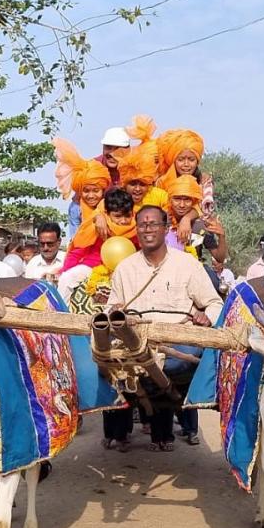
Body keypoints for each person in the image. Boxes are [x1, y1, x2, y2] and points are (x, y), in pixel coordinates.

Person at [106, 205, 222, 450]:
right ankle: (122, 430)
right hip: (135, 340)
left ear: (166, 228)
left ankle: (166, 426)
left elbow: (214, 303)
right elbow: (110, 309)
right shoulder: (125, 268)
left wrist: (207, 317)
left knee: (180, 363)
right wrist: (115, 311)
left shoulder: (188, 264)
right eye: (142, 225)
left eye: (153, 224)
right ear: (136, 230)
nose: (147, 229)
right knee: (107, 363)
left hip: (176, 339)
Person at [58, 187, 136, 300]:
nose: (123, 221)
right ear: (107, 214)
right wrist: (65, 271)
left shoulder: (136, 228)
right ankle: (60, 314)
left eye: (127, 216)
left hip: (124, 272)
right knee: (67, 278)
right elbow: (78, 250)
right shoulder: (98, 225)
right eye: (118, 216)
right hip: (91, 267)